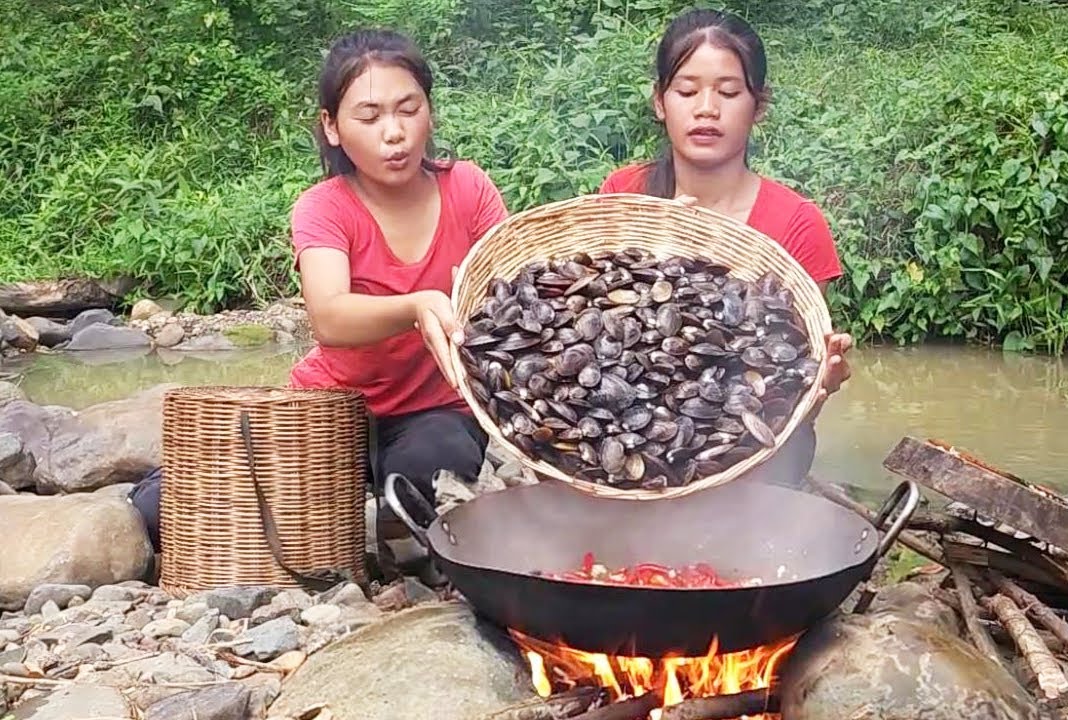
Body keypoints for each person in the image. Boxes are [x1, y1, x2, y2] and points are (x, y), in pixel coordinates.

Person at [130, 29, 508, 558]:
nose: (394, 133)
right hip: (331, 405)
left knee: (428, 472)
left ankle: (383, 520)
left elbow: (513, 292)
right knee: (158, 512)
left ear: (430, 111)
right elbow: (330, 316)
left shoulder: (468, 188)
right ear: (332, 127)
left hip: (437, 410)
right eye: (369, 117)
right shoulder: (324, 207)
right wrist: (417, 304)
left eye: (408, 109)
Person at [599, 8, 854, 486]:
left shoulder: (796, 221)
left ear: (758, 106)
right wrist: (666, 246)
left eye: (729, 92)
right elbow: (596, 334)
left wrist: (821, 384)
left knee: (790, 448)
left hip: (740, 447)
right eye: (687, 91)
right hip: (630, 427)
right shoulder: (624, 194)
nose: (706, 109)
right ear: (660, 102)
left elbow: (789, 375)